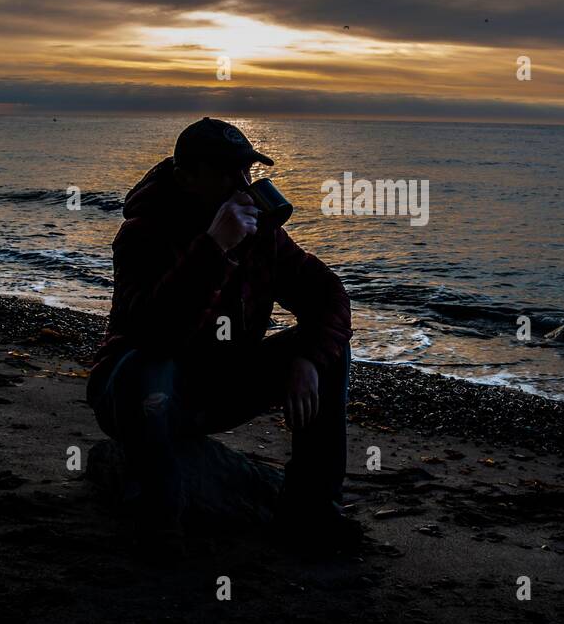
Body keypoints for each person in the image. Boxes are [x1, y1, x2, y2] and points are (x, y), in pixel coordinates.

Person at [86, 117, 360, 556]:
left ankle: (310, 511)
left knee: (330, 349)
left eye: (246, 172)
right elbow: (156, 334)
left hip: (217, 388)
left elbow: (328, 295)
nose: (241, 184)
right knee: (146, 363)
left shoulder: (262, 235)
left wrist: (307, 358)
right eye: (226, 172)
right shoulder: (143, 234)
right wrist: (214, 249)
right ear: (186, 177)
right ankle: (161, 520)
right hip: (136, 396)